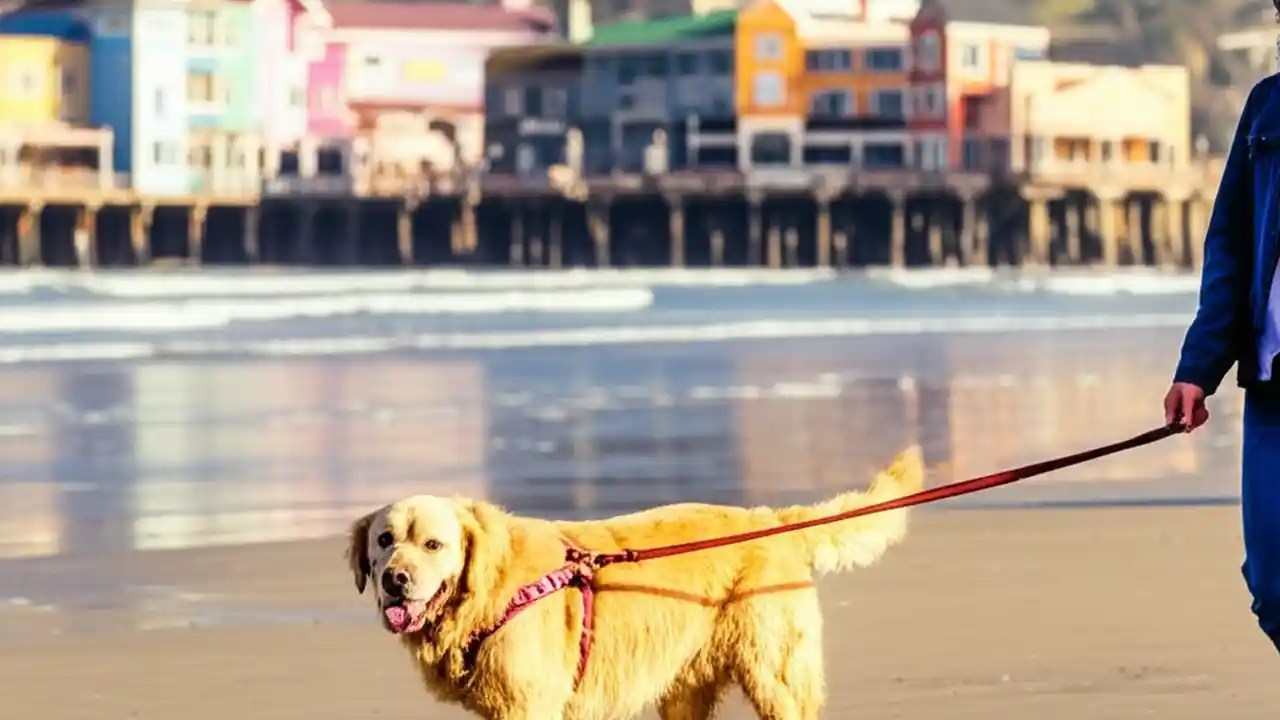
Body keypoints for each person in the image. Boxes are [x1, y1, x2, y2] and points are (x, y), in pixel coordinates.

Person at [1166, 0, 1280, 655]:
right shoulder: (1267, 108)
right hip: (1272, 391)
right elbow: (1230, 245)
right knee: (1273, 586)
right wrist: (1197, 367)